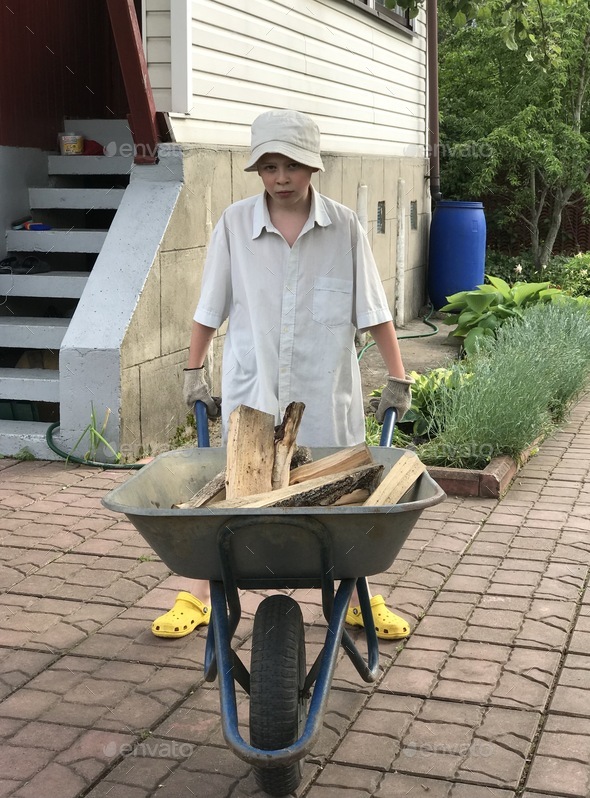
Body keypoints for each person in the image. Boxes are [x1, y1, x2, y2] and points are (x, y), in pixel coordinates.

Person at [152, 109, 414, 641]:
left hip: (325, 392)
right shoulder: (234, 224)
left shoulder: (344, 226)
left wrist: (397, 377)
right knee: (235, 498)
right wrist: (192, 371)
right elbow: (209, 307)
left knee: (345, 497)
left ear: (312, 168)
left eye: (291, 166)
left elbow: (374, 309)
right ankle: (201, 596)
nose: (280, 178)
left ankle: (362, 596)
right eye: (269, 167)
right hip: (256, 394)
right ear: (257, 171)